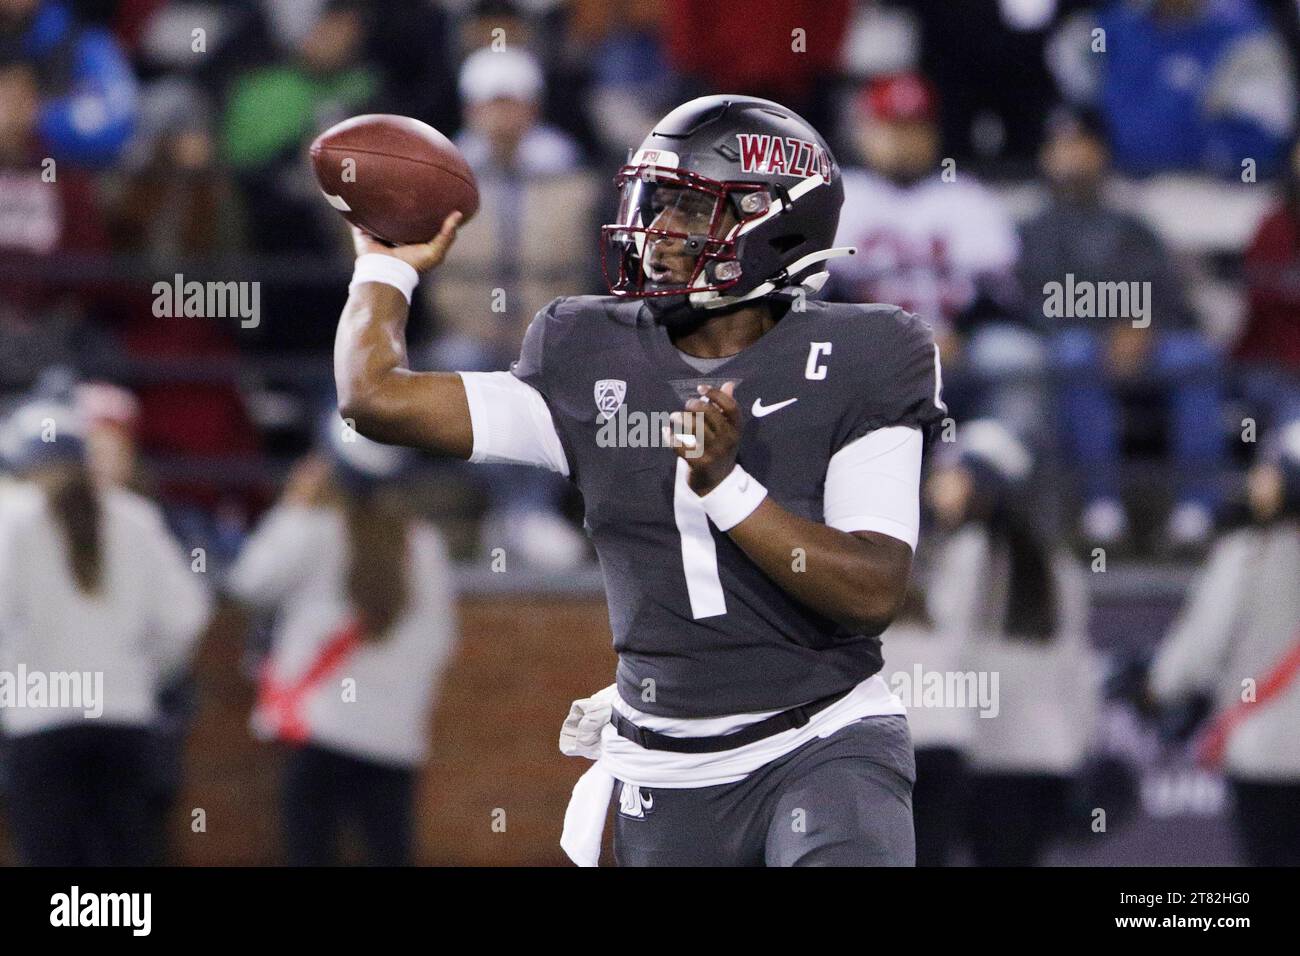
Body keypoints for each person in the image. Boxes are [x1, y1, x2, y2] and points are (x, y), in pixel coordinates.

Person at [334, 95, 946, 866]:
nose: (658, 235)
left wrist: (728, 489)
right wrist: (384, 265)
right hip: (663, 766)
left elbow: (871, 589)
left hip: (821, 739)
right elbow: (375, 398)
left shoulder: (864, 354)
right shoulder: (588, 350)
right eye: (653, 204)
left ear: (773, 220)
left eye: (689, 211)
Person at [226, 416, 458, 866]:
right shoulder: (424, 545)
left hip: (320, 732)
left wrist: (294, 504)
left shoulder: (314, 529)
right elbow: (441, 642)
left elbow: (248, 581)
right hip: (394, 738)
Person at [0, 400, 211, 865]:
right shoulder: (134, 516)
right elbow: (186, 616)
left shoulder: (10, 516)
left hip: (38, 728)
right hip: (125, 721)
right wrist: (139, 675)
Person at [1018, 110, 1223, 548]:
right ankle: (1102, 508)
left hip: (1146, 343)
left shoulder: (1132, 224)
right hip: (1077, 349)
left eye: (1081, 146)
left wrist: (1139, 324)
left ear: (1102, 152)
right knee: (1073, 355)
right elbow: (1037, 304)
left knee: (1197, 358)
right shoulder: (1033, 230)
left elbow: (1170, 295)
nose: (1071, 158)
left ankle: (1196, 511)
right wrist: (1106, 329)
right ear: (1045, 156)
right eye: (1061, 147)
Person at [829, 73, 1041, 438]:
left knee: (1016, 356)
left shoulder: (968, 197)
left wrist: (957, 332)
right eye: (891, 127)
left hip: (957, 351)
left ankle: (984, 465)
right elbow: (820, 295)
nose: (903, 142)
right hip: (863, 352)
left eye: (915, 128)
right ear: (863, 130)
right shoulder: (838, 195)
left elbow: (1002, 296)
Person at [924, 420, 1096, 866]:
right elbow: (1078, 670)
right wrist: (1078, 749)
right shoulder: (1059, 563)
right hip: (1047, 758)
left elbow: (945, 653)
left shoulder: (969, 553)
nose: (942, 487)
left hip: (983, 756)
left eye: (957, 476)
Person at [1148, 418, 1300, 866]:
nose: (1256, 481)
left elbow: (1201, 648)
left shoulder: (1247, 552)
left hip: (1267, 755)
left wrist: (1156, 687)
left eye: (1270, 470)